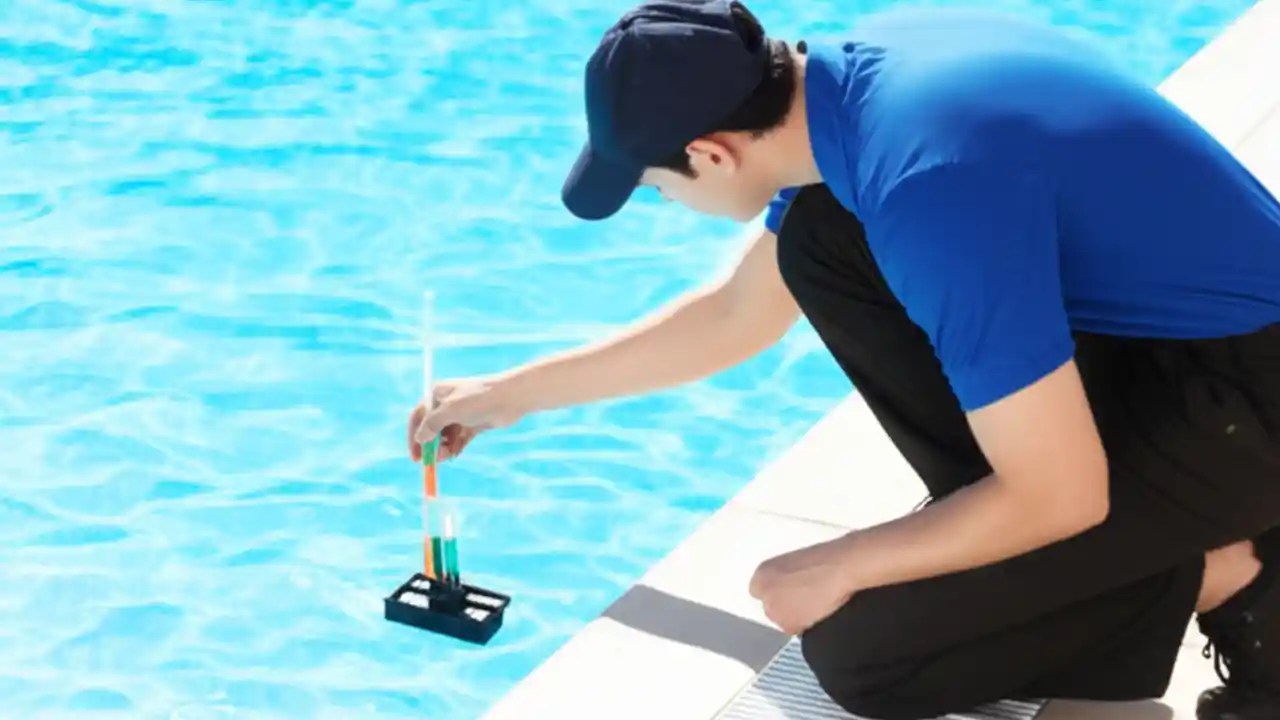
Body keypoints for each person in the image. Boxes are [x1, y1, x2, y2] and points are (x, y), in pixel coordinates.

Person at [406, 1, 1280, 718]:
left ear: (710, 154)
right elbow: (733, 317)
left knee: (865, 657)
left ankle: (1232, 574)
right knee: (821, 246)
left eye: (656, 187)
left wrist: (843, 561)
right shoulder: (859, 78)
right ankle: (1110, 549)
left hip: (1244, 404)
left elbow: (1064, 494)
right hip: (1176, 353)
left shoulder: (926, 184)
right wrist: (508, 393)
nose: (665, 201)